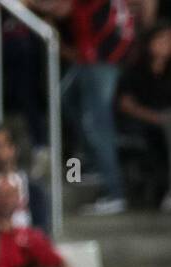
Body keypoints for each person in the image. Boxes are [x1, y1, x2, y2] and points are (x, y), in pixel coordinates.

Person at [49, 0, 133, 216]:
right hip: (90, 59)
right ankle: (95, 164)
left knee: (98, 126)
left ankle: (115, 194)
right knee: (66, 99)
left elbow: (60, 7)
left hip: (102, 60)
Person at [115, 21, 171, 208]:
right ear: (149, 42)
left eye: (168, 41)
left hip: (169, 123)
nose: (164, 44)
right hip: (139, 122)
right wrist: (155, 118)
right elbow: (125, 105)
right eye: (160, 40)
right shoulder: (135, 68)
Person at [0, 174, 72, 267]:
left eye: (10, 194)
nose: (5, 200)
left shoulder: (29, 237)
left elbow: (63, 265)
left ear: (19, 199)